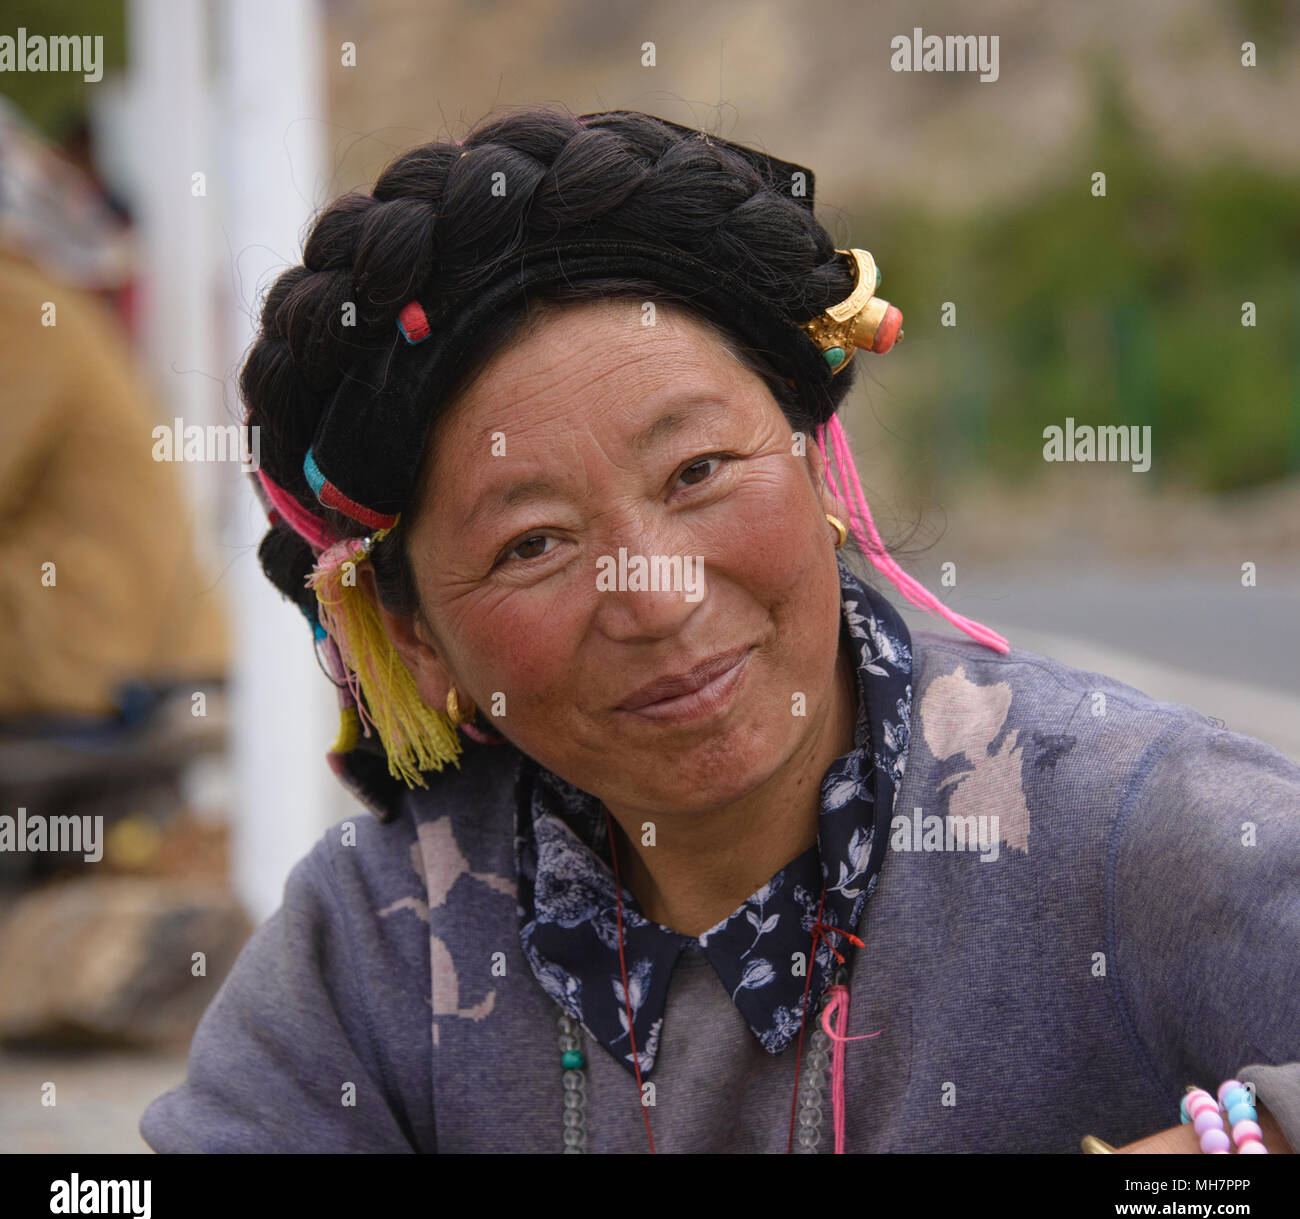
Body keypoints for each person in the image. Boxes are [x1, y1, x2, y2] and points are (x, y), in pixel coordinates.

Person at [139, 107, 1299, 1154]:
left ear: (817, 464)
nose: (656, 595)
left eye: (698, 470)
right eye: (531, 543)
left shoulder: (1134, 832)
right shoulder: (389, 941)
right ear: (418, 636)